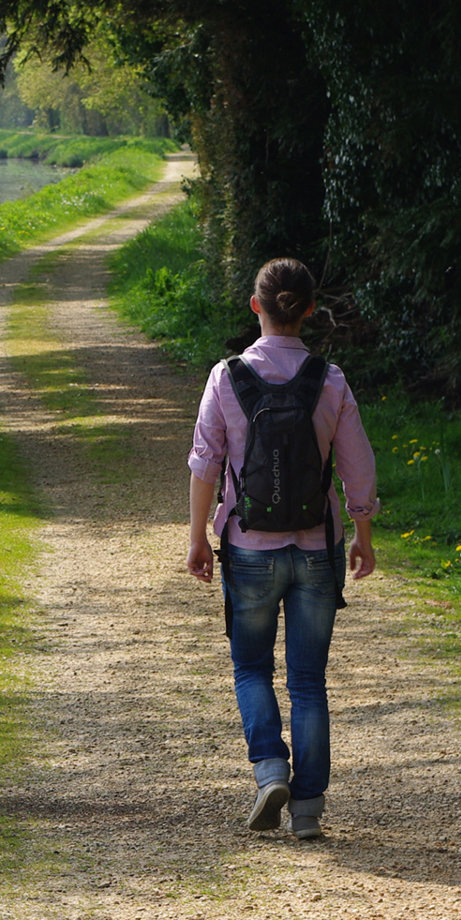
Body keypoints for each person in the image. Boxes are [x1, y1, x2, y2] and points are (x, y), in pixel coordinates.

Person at [185, 257, 378, 840]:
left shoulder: (226, 377)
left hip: (248, 547)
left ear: (255, 306)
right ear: (311, 311)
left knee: (250, 666)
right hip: (317, 549)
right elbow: (357, 467)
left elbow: (204, 464)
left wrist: (198, 539)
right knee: (309, 679)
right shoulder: (331, 379)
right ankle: (309, 810)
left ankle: (271, 769)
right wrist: (362, 534)